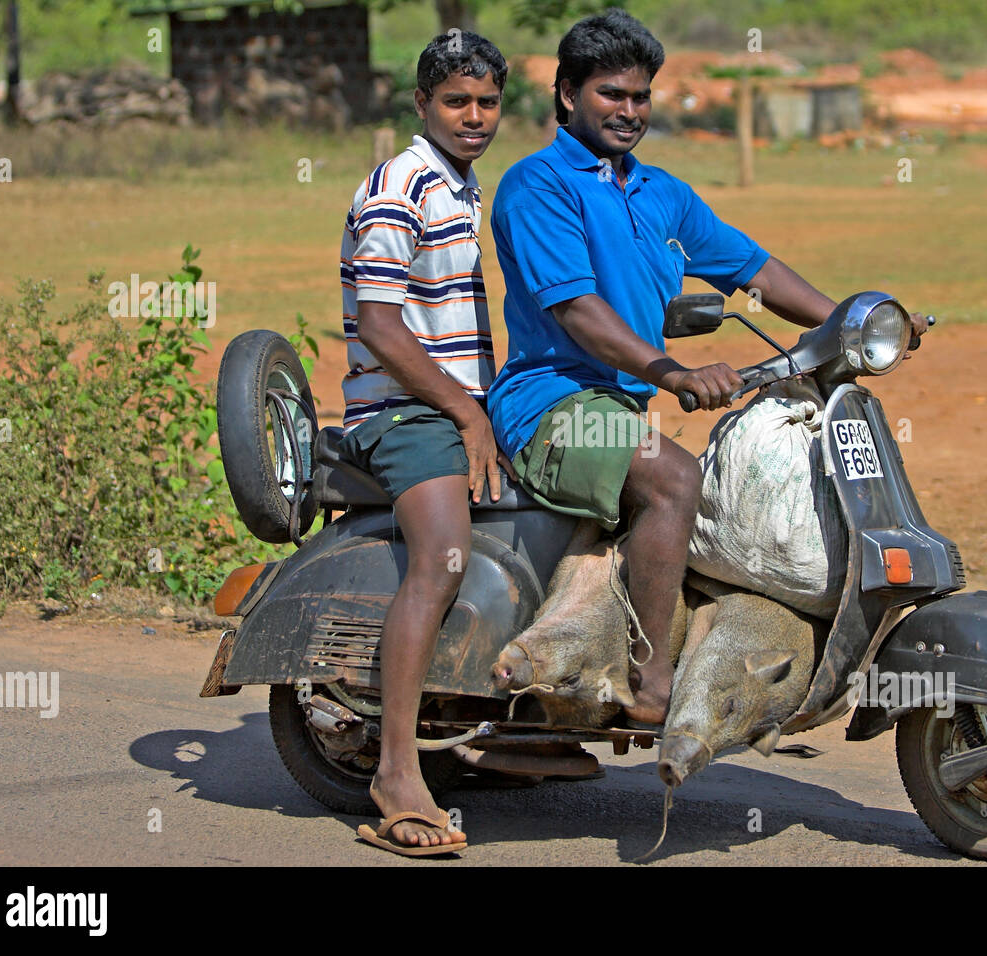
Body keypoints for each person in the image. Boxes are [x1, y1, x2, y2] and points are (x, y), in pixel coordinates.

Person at [486, 10, 928, 728]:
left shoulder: (660, 193)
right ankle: (649, 681)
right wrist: (673, 371)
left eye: (640, 97)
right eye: (610, 95)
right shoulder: (538, 185)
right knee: (677, 478)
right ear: (567, 93)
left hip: (616, 410)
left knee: (709, 492)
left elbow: (752, 269)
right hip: (549, 405)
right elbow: (577, 313)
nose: (629, 111)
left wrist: (852, 324)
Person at [338, 31, 509, 856]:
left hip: (454, 405)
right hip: (401, 411)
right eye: (456, 102)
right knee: (442, 555)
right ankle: (397, 772)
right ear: (421, 105)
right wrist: (467, 414)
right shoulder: (400, 186)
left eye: (486, 102)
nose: (474, 116)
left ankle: (509, 737)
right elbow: (380, 325)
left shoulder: (461, 185)